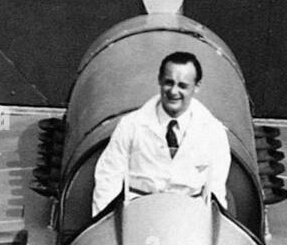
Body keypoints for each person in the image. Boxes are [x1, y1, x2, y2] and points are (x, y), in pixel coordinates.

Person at [92, 51, 231, 217]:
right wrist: (102, 226)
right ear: (159, 80)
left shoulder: (213, 131)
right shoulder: (131, 125)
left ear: (197, 86)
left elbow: (216, 190)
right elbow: (107, 180)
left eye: (183, 86)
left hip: (190, 219)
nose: (173, 91)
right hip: (139, 215)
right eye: (168, 83)